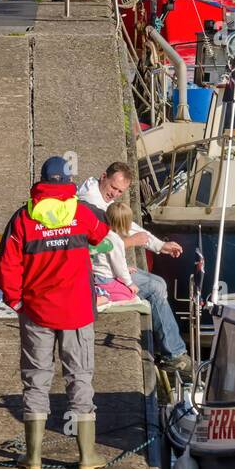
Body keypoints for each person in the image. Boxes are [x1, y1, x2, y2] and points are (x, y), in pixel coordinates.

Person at [0, 157, 111, 469]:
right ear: (68, 181)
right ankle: (86, 456)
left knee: (35, 381)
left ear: (42, 181)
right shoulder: (81, 213)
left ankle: (33, 457)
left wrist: (16, 302)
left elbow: (7, 265)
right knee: (80, 378)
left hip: (36, 312)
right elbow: (102, 234)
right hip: (77, 312)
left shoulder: (23, 219)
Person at [77, 162, 193, 379]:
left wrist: (158, 245)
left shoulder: (98, 196)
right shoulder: (90, 204)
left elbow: (122, 224)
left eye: (120, 191)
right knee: (156, 286)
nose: (115, 194)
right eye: (113, 187)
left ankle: (171, 347)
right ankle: (174, 354)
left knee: (155, 282)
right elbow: (104, 244)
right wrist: (131, 244)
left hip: (101, 269)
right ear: (103, 176)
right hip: (96, 274)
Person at [91, 202, 140, 308]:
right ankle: (100, 294)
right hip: (104, 278)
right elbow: (119, 266)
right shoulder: (115, 240)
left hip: (94, 275)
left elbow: (107, 261)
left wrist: (126, 269)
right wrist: (129, 283)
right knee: (129, 295)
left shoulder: (100, 231)